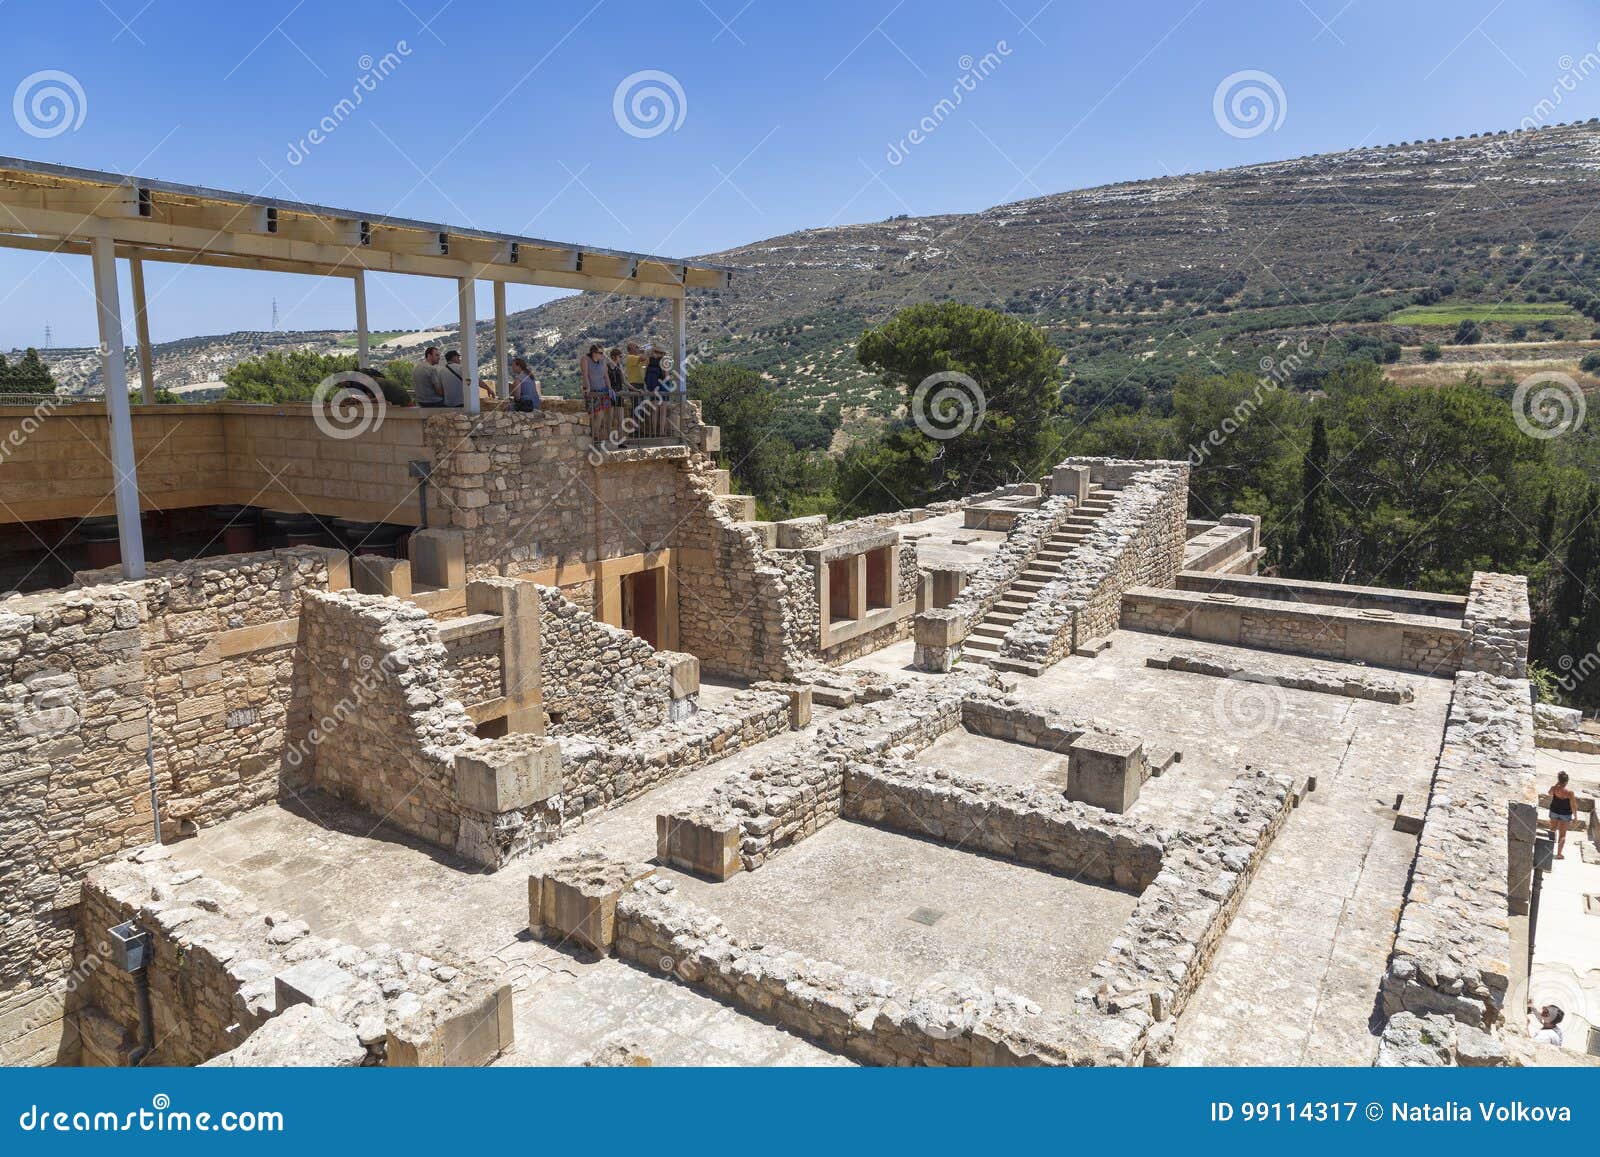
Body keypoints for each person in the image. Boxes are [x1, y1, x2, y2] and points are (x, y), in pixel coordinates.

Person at [579, 343, 611, 441]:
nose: (602, 355)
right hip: (592, 391)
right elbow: (585, 375)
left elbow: (606, 376)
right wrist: (588, 387)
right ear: (594, 353)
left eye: (603, 353)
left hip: (602, 391)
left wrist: (609, 388)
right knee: (593, 414)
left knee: (601, 414)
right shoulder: (585, 359)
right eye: (600, 353)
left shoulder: (602, 362)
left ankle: (595, 435)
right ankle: (593, 435)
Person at [1548, 770, 1577, 859]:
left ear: (1558, 780)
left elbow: (1549, 793)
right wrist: (1575, 816)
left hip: (1554, 811)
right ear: (1567, 781)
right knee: (1562, 835)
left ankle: (1548, 851)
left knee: (1552, 830)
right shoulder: (1570, 792)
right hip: (1565, 814)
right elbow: (1573, 805)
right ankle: (1559, 854)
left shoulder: (1554, 788)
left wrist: (1557, 784)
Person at [643, 342, 670, 436]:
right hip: (663, 388)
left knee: (654, 411)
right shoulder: (665, 361)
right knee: (663, 412)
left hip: (653, 388)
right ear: (663, 352)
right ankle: (661, 432)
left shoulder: (649, 360)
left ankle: (653, 432)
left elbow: (645, 374)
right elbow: (666, 376)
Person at [606, 348, 628, 443]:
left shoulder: (619, 367)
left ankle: (620, 440)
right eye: (620, 356)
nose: (620, 358)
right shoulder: (607, 366)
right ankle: (609, 440)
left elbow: (624, 381)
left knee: (620, 419)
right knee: (610, 419)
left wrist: (635, 389)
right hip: (610, 394)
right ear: (614, 357)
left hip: (619, 394)